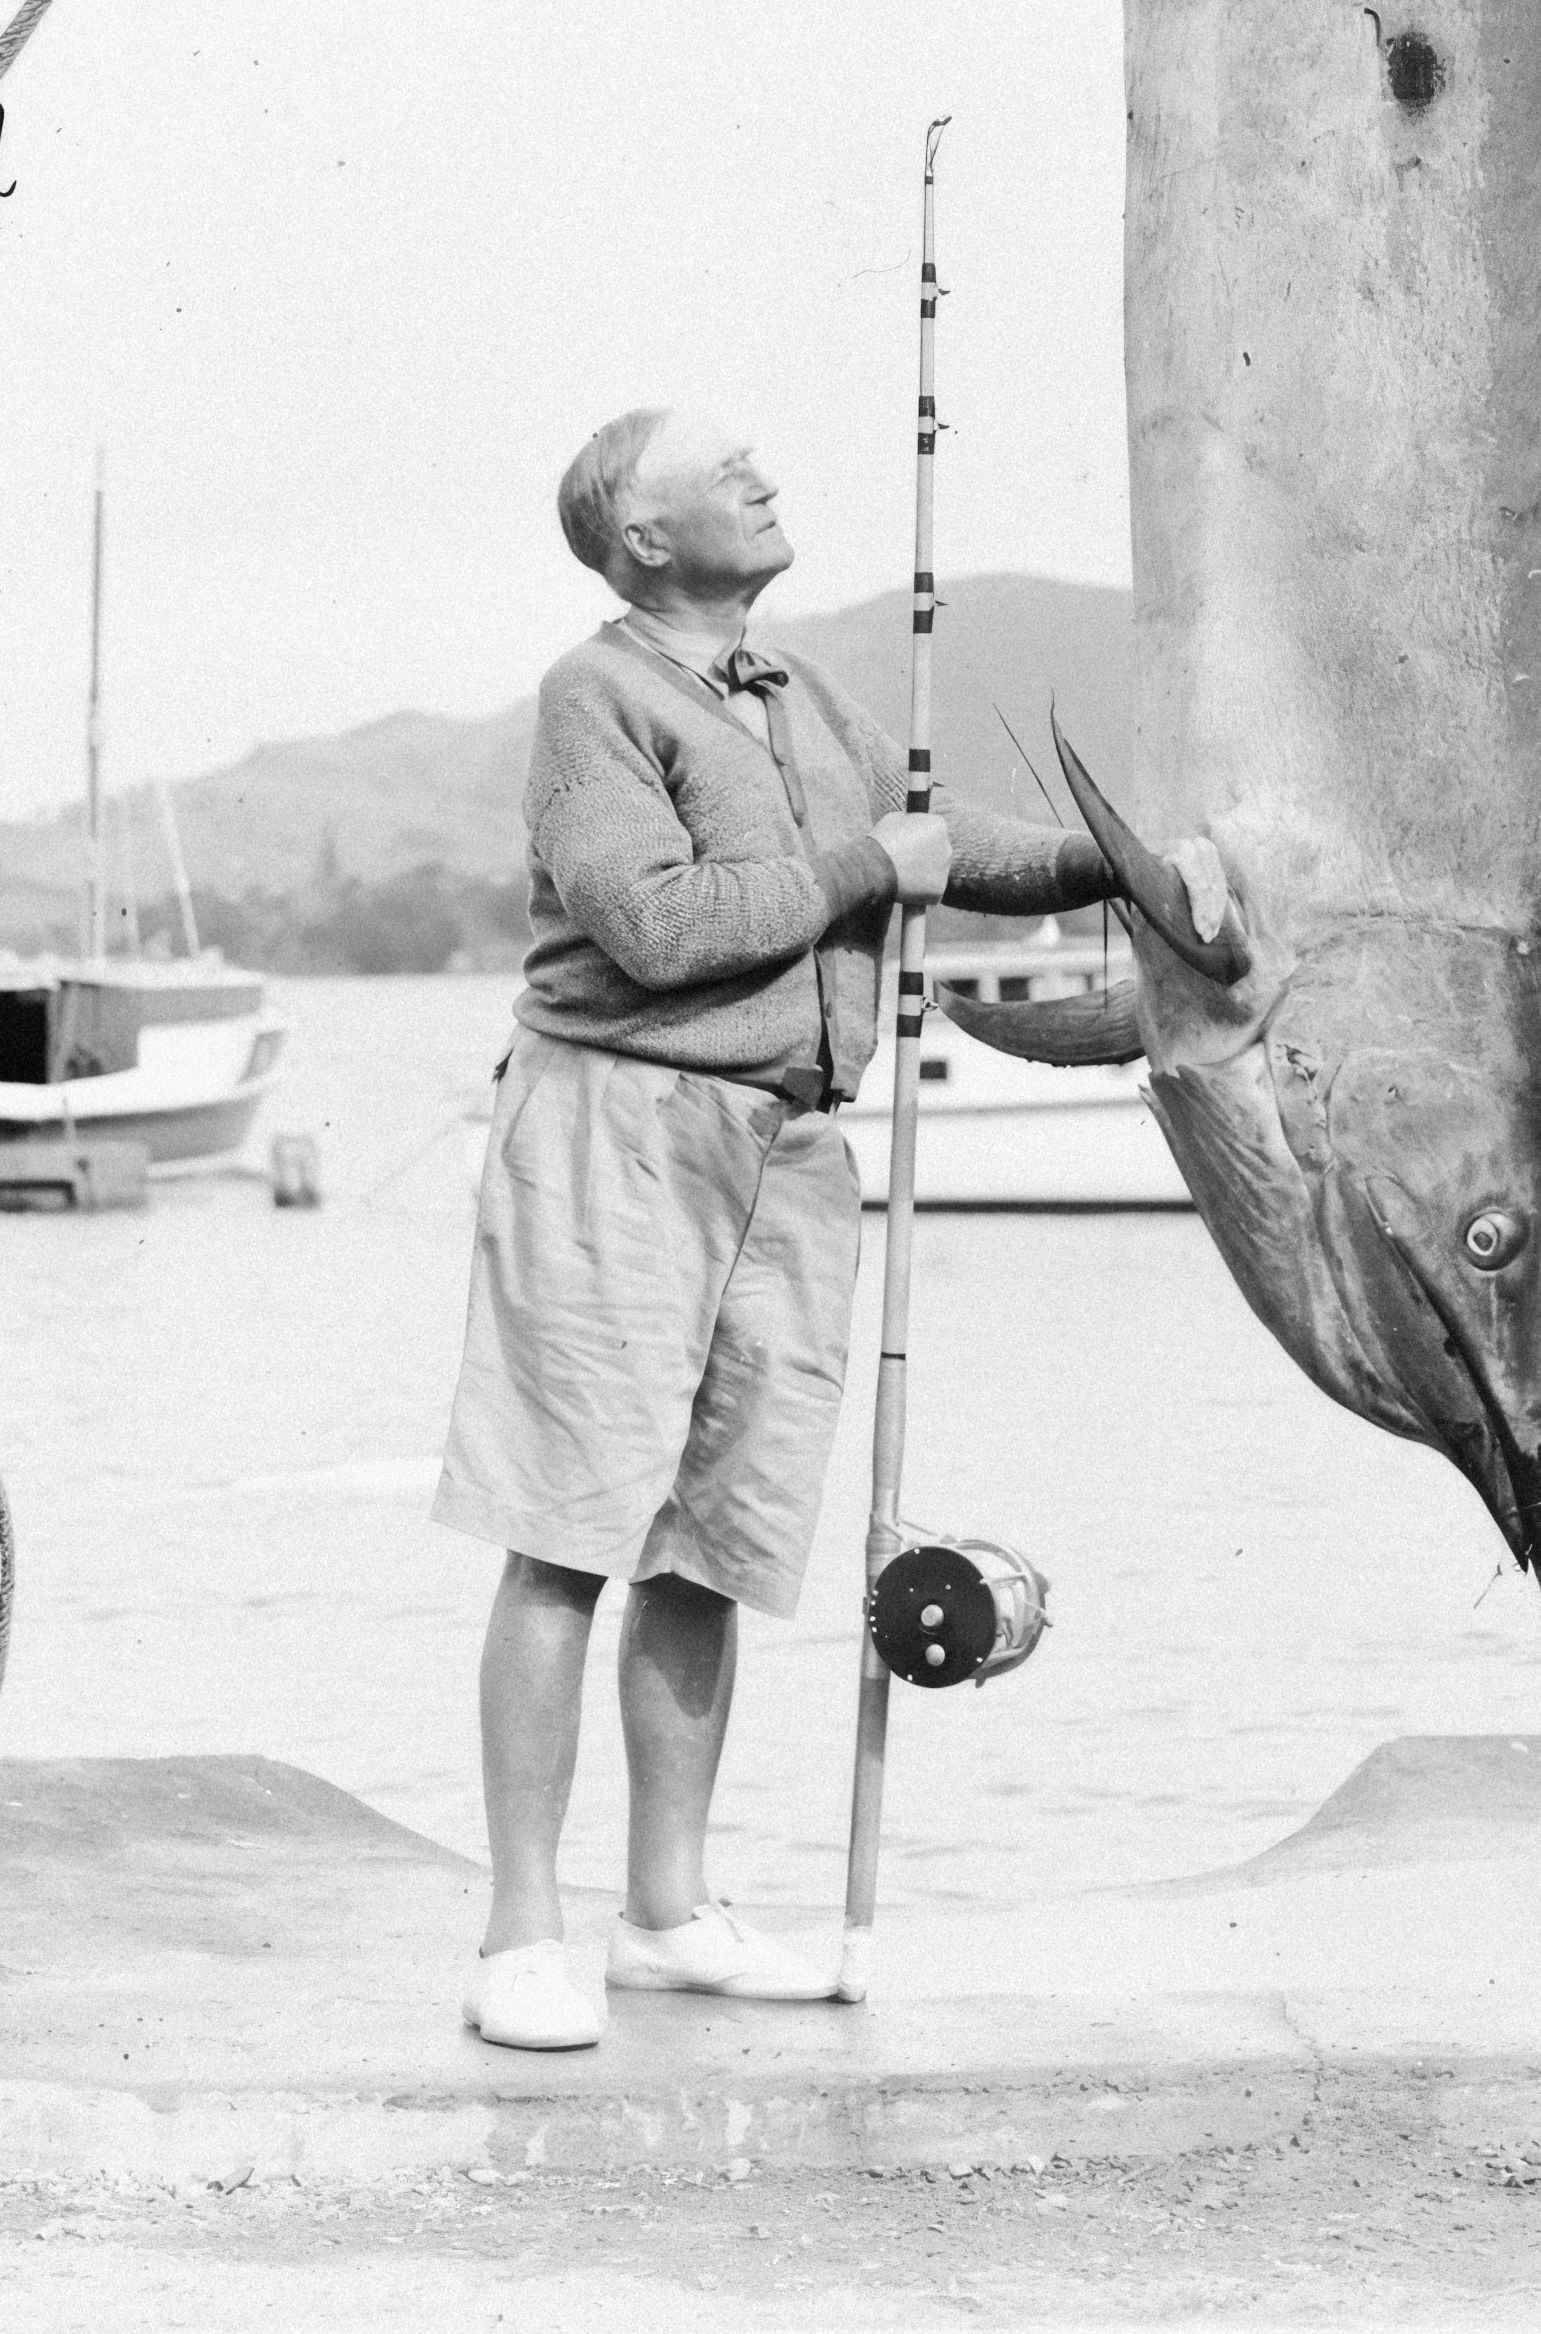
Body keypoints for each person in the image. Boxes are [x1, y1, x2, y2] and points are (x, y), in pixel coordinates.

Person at [432, 400, 1112, 2047]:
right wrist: (863, 861)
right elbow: (657, 928)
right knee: (571, 1524)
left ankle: (665, 1915)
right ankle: (521, 1932)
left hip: (794, 1152)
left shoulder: (800, 693)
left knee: (711, 1545)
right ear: (643, 535)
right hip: (617, 1126)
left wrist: (1147, 871)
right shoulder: (594, 695)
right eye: (721, 469)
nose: (765, 475)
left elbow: (945, 848)